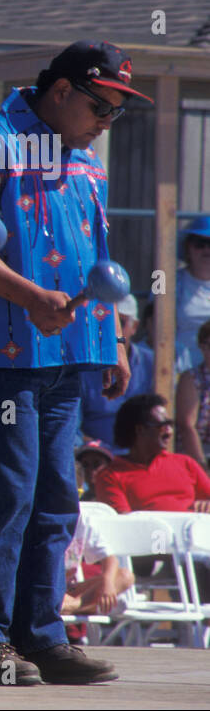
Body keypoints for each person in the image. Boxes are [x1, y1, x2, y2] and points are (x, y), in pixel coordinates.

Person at [0, 40, 145, 686]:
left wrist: (107, 336)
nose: (107, 122)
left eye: (116, 112)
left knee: (57, 496)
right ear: (60, 91)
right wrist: (30, 297)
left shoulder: (85, 161)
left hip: (67, 352)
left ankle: (40, 633)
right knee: (7, 491)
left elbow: (100, 256)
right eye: (101, 106)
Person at [95, 394, 210, 515]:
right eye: (162, 425)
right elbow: (123, 524)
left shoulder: (186, 463)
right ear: (140, 429)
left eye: (170, 424)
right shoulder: (110, 476)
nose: (169, 431)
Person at [79, 294, 150, 450]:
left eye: (120, 323)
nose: (113, 330)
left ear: (135, 327)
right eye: (105, 322)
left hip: (143, 458)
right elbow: (73, 427)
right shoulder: (83, 369)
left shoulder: (153, 364)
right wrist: (96, 449)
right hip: (95, 458)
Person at [174, 215, 210, 368]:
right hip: (179, 366)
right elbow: (153, 316)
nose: (206, 250)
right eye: (199, 243)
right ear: (187, 247)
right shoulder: (165, 278)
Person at [175, 318, 210, 469]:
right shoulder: (191, 378)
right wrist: (202, 467)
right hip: (197, 457)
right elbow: (187, 425)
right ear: (202, 347)